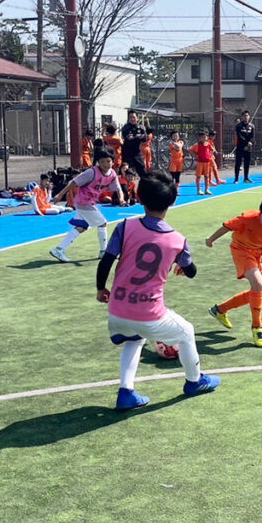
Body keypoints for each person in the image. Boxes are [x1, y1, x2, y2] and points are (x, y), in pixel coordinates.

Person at [96, 169, 221, 410]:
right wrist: (183, 265)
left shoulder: (124, 227)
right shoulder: (178, 240)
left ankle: (126, 392)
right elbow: (192, 270)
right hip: (149, 314)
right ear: (172, 201)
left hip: (117, 310)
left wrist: (101, 288)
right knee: (186, 331)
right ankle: (195, 381)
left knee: (135, 340)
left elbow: (106, 261)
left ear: (140, 198)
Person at [206, 190, 262, 348]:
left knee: (258, 291)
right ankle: (257, 327)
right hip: (241, 250)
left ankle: (220, 310)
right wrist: (211, 239)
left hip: (258, 254)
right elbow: (226, 227)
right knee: (258, 286)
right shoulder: (248, 218)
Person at [50, 147, 123, 262]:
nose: (105, 164)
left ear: (113, 161)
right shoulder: (92, 172)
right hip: (84, 202)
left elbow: (118, 189)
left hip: (90, 203)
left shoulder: (112, 174)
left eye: (108, 161)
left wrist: (122, 199)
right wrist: (59, 195)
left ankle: (58, 249)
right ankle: (103, 252)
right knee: (103, 223)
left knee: (81, 227)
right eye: (102, 161)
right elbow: (73, 183)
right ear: (98, 162)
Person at [120, 110, 149, 177]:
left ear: (137, 118)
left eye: (134, 117)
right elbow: (129, 138)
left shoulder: (141, 127)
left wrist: (139, 136)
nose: (132, 119)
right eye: (130, 117)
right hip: (127, 154)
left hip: (137, 153)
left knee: (143, 172)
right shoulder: (125, 128)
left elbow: (145, 138)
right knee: (126, 172)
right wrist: (138, 137)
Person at [190, 132, 216, 196]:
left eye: (205, 137)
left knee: (206, 176)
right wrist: (195, 156)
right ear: (200, 138)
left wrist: (210, 155)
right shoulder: (197, 145)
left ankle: (207, 189)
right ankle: (198, 190)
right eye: (202, 137)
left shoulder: (208, 144)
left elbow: (213, 150)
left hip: (207, 163)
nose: (204, 138)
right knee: (198, 176)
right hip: (200, 163)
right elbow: (191, 150)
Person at [233, 111, 255, 183]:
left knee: (247, 162)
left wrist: (250, 143)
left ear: (249, 117)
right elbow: (239, 136)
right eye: (244, 116)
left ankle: (246, 178)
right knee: (238, 163)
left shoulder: (252, 126)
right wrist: (246, 143)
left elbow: (252, 136)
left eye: (247, 116)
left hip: (248, 147)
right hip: (240, 147)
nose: (246, 117)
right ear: (242, 117)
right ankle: (236, 178)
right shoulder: (239, 126)